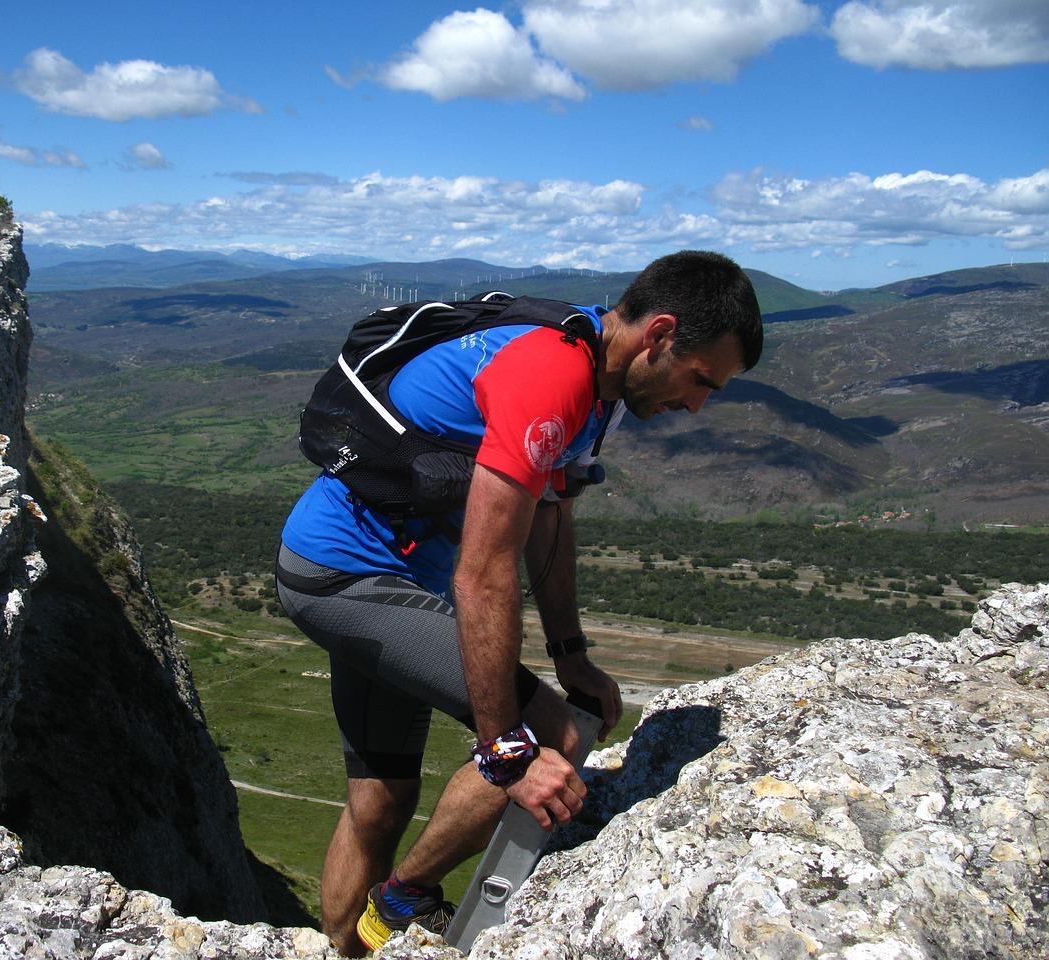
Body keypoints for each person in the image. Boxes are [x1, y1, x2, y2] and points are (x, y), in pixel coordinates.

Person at [276, 250, 763, 954]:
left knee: (380, 802)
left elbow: (549, 517)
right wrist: (505, 748)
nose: (697, 404)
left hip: (377, 578)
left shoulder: (599, 383)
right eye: (700, 380)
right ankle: (401, 903)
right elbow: (485, 572)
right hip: (345, 577)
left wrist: (572, 656)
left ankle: (343, 951)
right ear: (658, 336)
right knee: (554, 739)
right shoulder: (552, 375)